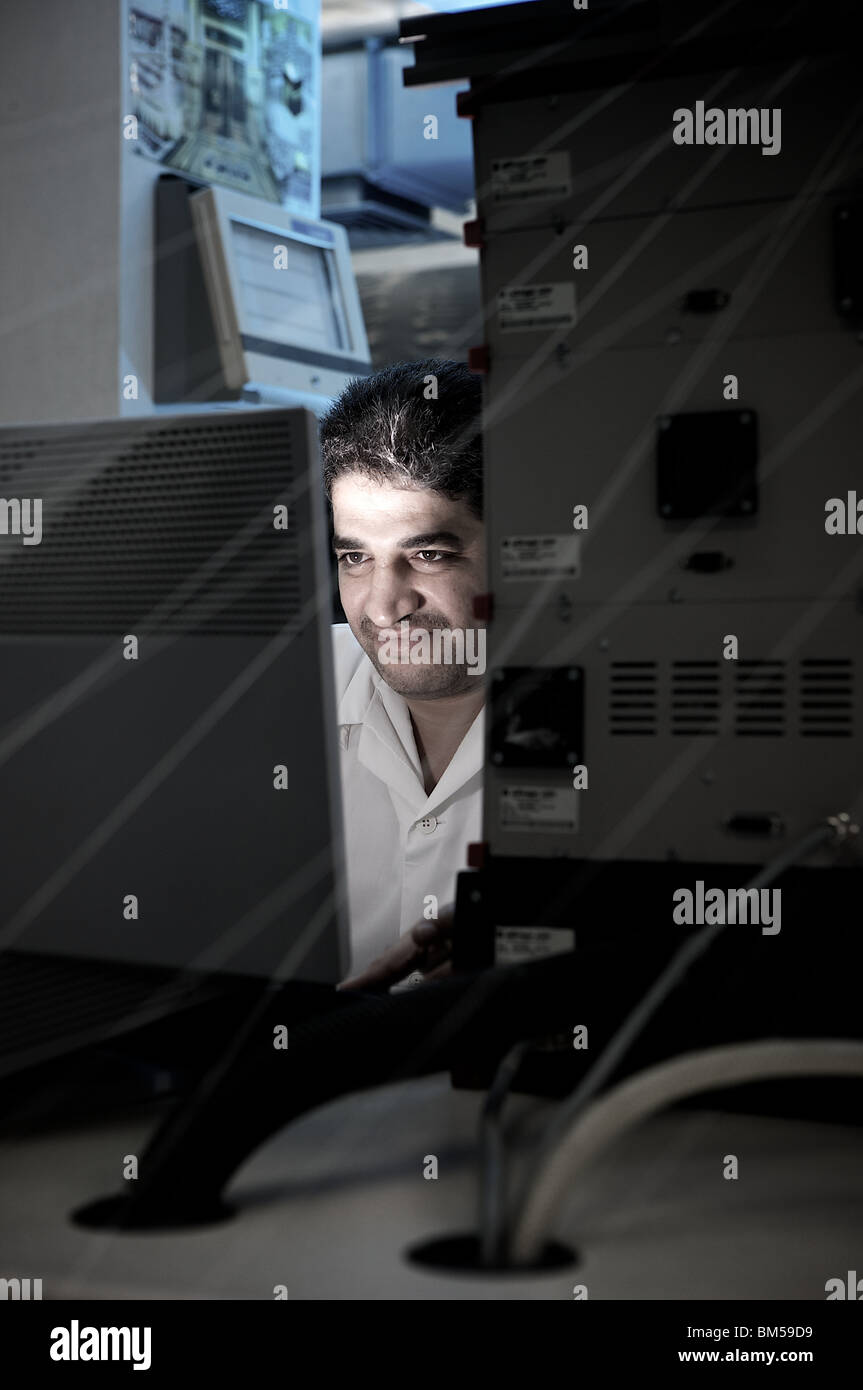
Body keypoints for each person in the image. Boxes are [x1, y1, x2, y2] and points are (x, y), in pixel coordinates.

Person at [319, 359, 487, 993]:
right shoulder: (281, 694)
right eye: (355, 558)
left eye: (428, 555)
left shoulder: (618, 727)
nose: (385, 606)